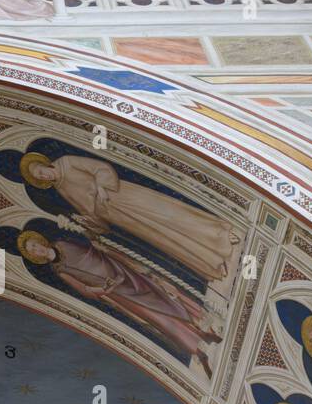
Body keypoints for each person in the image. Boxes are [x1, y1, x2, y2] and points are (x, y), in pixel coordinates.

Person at [17, 229, 220, 375]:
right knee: (156, 318)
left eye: (34, 245)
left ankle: (201, 331)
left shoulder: (63, 243)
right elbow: (85, 290)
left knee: (163, 297)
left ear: (40, 241)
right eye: (32, 251)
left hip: (124, 272)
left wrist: (100, 248)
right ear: (34, 257)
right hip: (117, 291)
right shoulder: (59, 270)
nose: (36, 250)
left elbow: (93, 252)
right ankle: (196, 349)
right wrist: (105, 288)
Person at [19, 150, 239, 281]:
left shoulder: (66, 162)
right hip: (116, 214)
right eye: (40, 176)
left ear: (44, 164)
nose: (45, 174)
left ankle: (221, 234)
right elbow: (93, 215)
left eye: (41, 170)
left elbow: (100, 168)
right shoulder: (61, 189)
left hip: (122, 195)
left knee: (170, 216)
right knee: (162, 237)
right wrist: (90, 222)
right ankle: (211, 262)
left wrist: (102, 187)